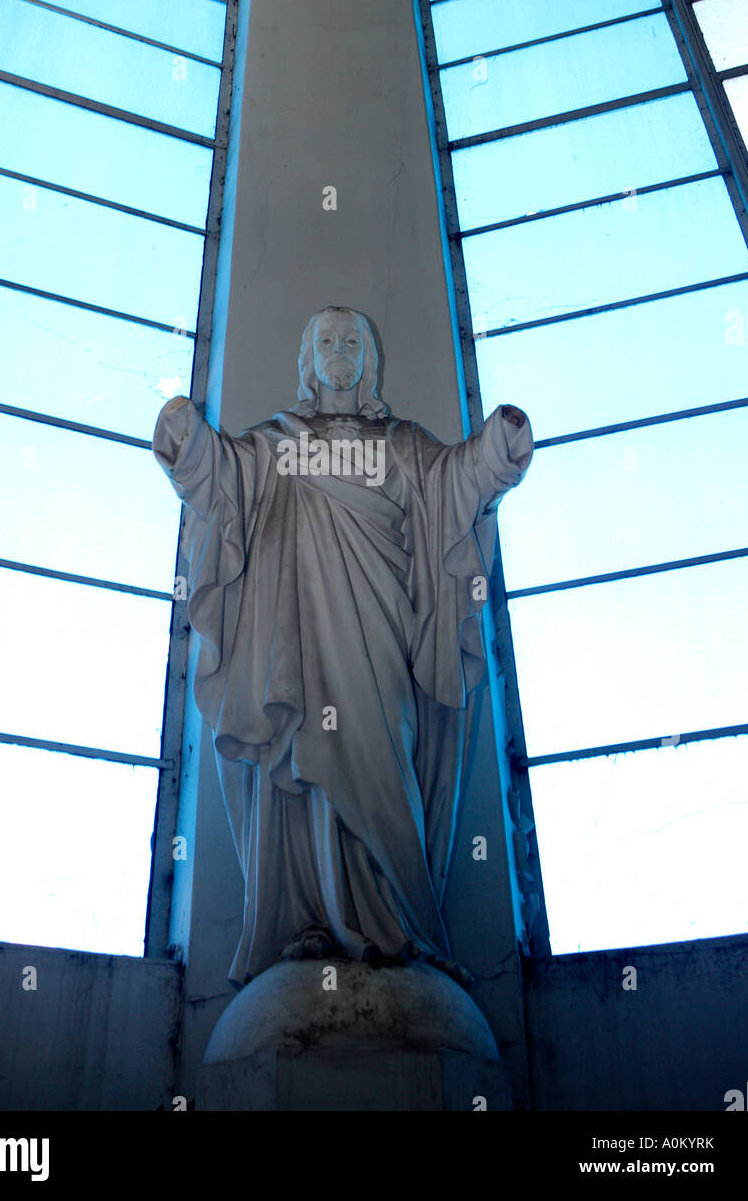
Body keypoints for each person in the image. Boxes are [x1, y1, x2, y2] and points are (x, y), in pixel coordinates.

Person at [152, 306, 532, 986]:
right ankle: (304, 921)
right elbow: (227, 480)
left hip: (379, 642)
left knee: (384, 754)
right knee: (302, 764)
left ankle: (400, 921)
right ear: (307, 360)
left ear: (369, 360)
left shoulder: (404, 444)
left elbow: (453, 487)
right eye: (326, 341)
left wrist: (495, 452)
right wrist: (188, 442)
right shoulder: (279, 442)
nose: (339, 351)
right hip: (296, 650)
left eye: (352, 341)